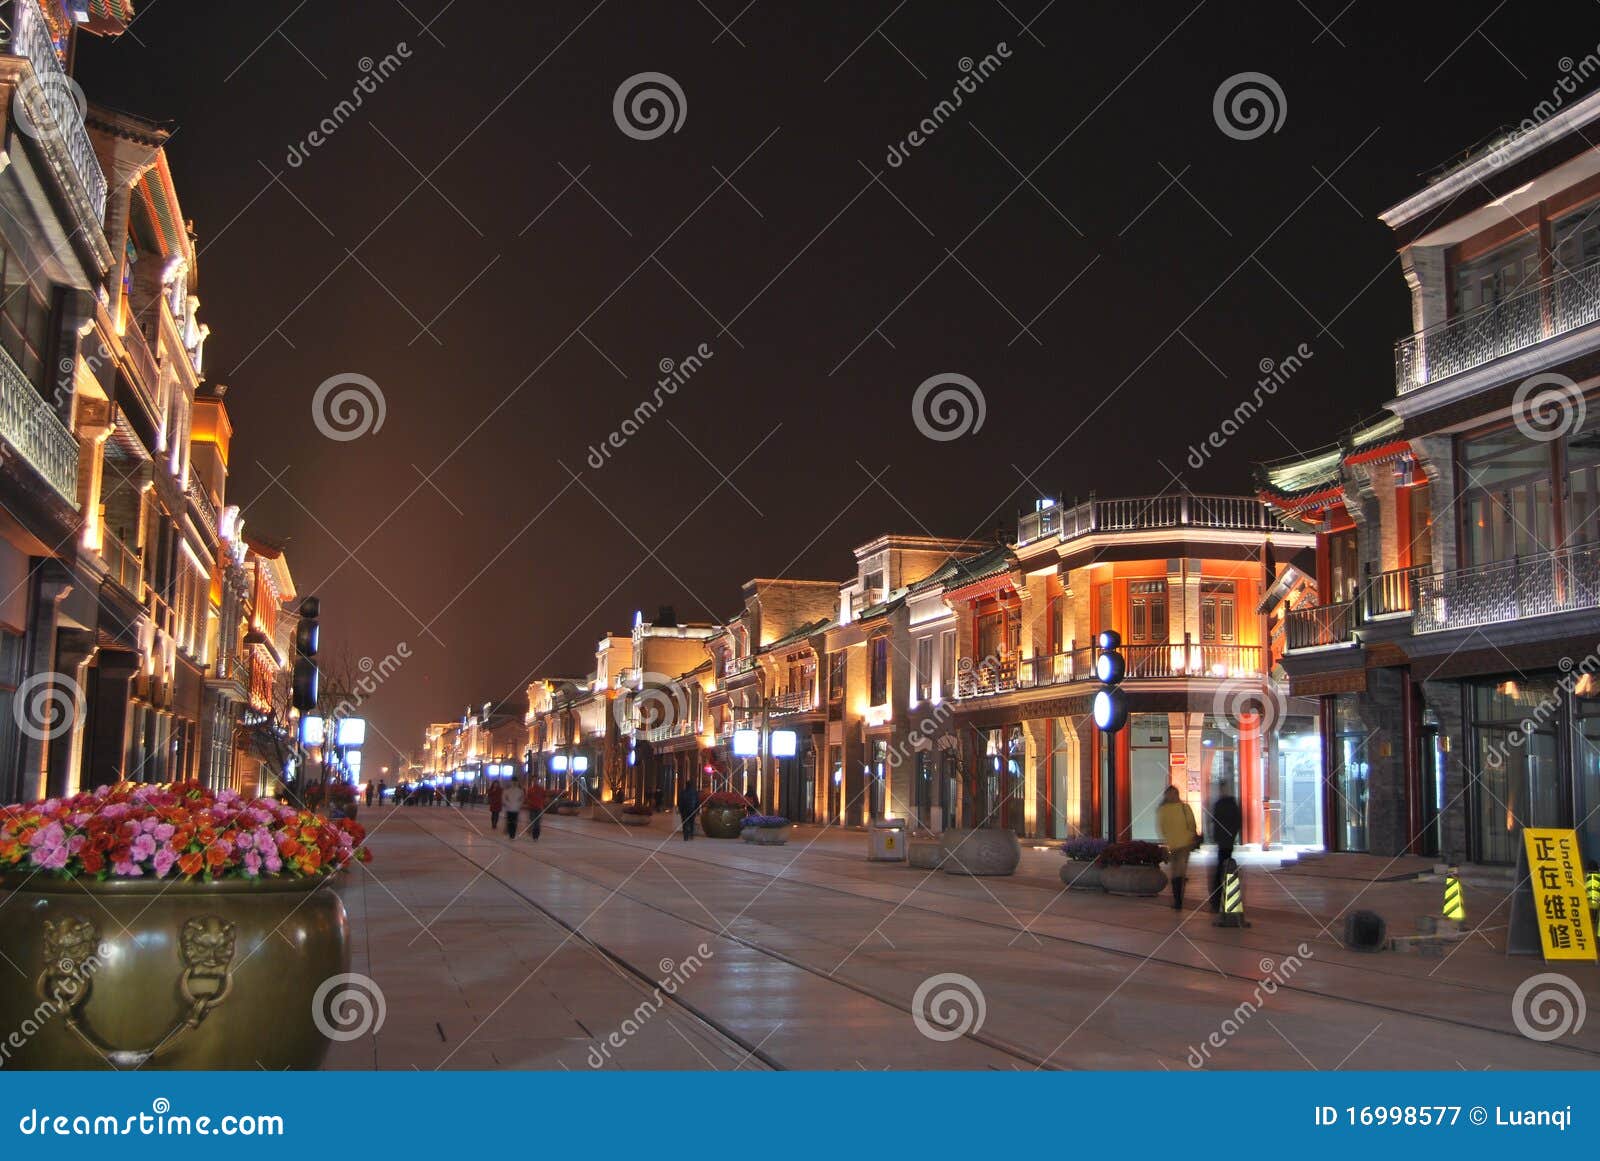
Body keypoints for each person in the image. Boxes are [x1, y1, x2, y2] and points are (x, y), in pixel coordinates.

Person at [1156, 784, 1201, 912]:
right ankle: (1178, 898)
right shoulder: (1182, 808)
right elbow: (1192, 825)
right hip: (1177, 844)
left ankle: (1178, 900)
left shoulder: (1166, 809)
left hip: (1182, 845)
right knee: (1178, 872)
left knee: (1177, 871)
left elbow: (1161, 827)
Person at [1209, 792, 1243, 913]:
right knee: (1225, 866)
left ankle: (1217, 898)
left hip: (1223, 842)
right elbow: (1238, 822)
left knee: (1220, 868)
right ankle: (1223, 895)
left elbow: (1214, 822)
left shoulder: (1220, 804)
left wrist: (1216, 837)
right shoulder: (1232, 805)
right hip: (1227, 841)